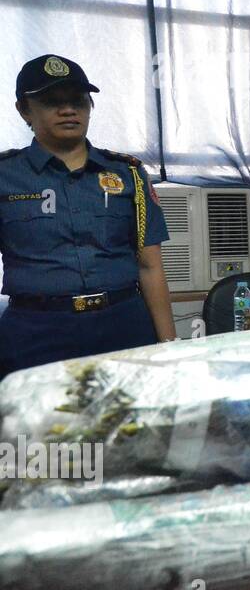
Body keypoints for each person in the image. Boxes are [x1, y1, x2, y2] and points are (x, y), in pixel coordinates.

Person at [0, 54, 175, 379]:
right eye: (52, 101)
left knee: (131, 424)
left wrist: (168, 346)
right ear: (24, 110)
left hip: (123, 324)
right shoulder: (5, 177)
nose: (68, 110)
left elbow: (150, 266)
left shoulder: (129, 174)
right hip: (35, 331)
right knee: (37, 427)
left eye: (78, 100)